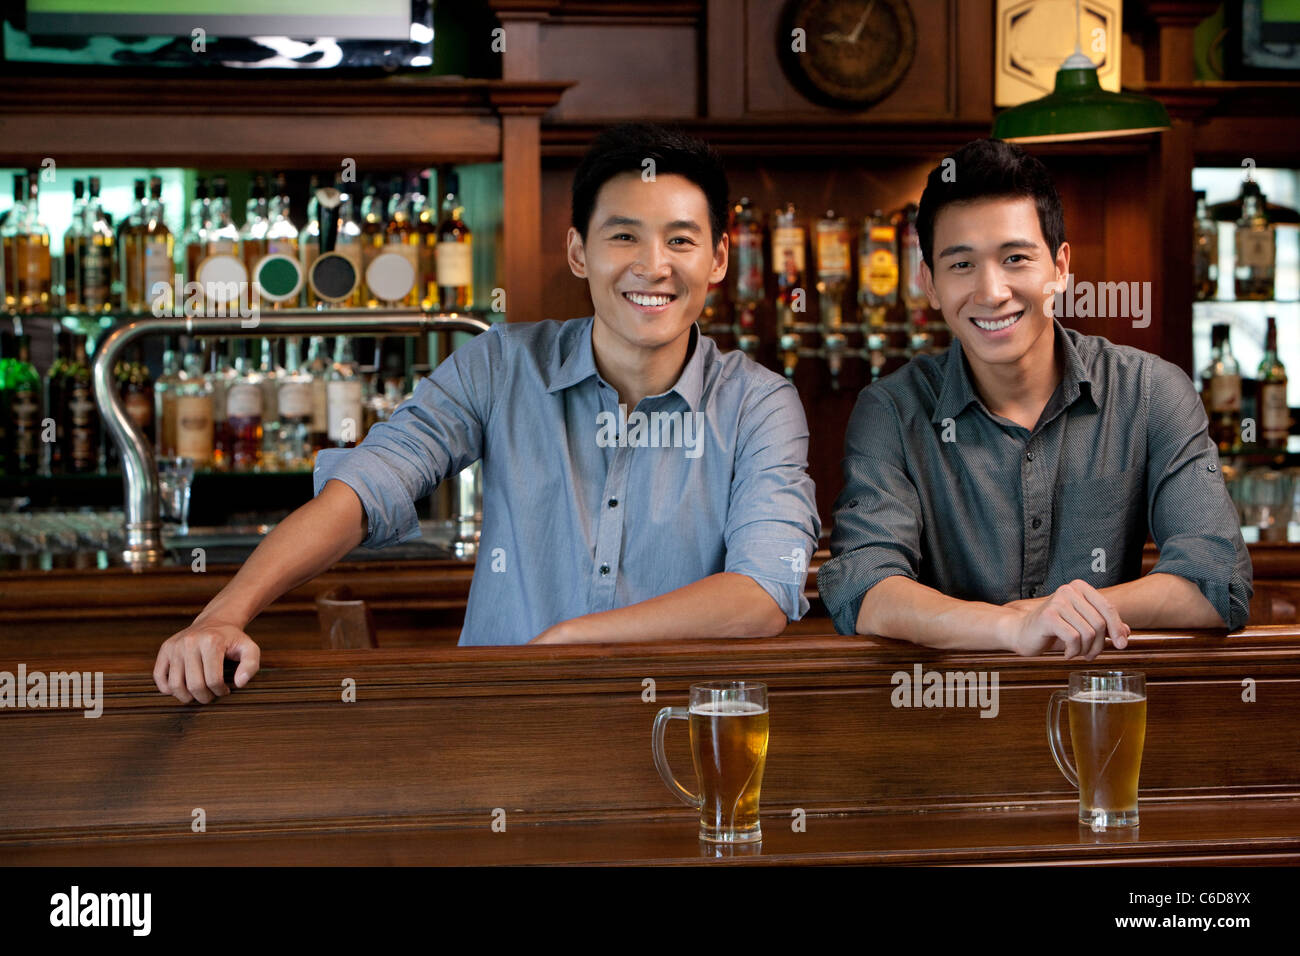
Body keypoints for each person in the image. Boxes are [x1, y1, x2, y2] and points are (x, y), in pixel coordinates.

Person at [155, 122, 820, 703]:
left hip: (679, 736)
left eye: (681, 241)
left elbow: (761, 594)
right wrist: (223, 613)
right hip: (500, 721)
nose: (653, 267)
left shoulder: (758, 404)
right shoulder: (500, 365)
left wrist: (570, 640)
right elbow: (368, 483)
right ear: (579, 252)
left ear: (718, 260)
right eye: (624, 237)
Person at [817, 138, 1251, 660]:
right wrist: (1008, 629)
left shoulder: (1150, 391)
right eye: (961, 265)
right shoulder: (891, 410)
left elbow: (1217, 580)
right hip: (952, 717)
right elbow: (864, 587)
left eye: (1015, 257)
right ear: (928, 283)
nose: (992, 290)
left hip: (1103, 707)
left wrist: (1061, 613)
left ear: (1060, 267)